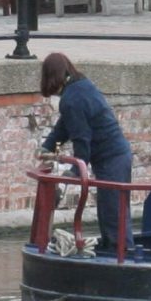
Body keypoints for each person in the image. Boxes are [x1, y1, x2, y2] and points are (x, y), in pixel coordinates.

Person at [39, 52, 133, 255]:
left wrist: (76, 170)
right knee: (110, 207)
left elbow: (82, 138)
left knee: (113, 209)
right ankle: (114, 249)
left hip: (112, 156)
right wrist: (47, 146)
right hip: (117, 153)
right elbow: (65, 125)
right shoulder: (81, 86)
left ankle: (121, 253)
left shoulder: (71, 99)